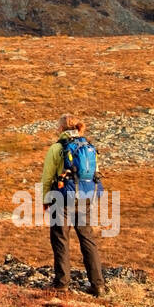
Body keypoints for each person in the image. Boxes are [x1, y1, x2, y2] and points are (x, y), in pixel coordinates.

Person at [41, 114, 106, 297]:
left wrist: (46, 200)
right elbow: (96, 173)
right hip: (85, 198)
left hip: (62, 198)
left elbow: (47, 177)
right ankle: (98, 285)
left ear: (61, 128)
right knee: (87, 239)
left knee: (60, 238)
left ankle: (61, 284)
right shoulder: (88, 147)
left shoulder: (57, 148)